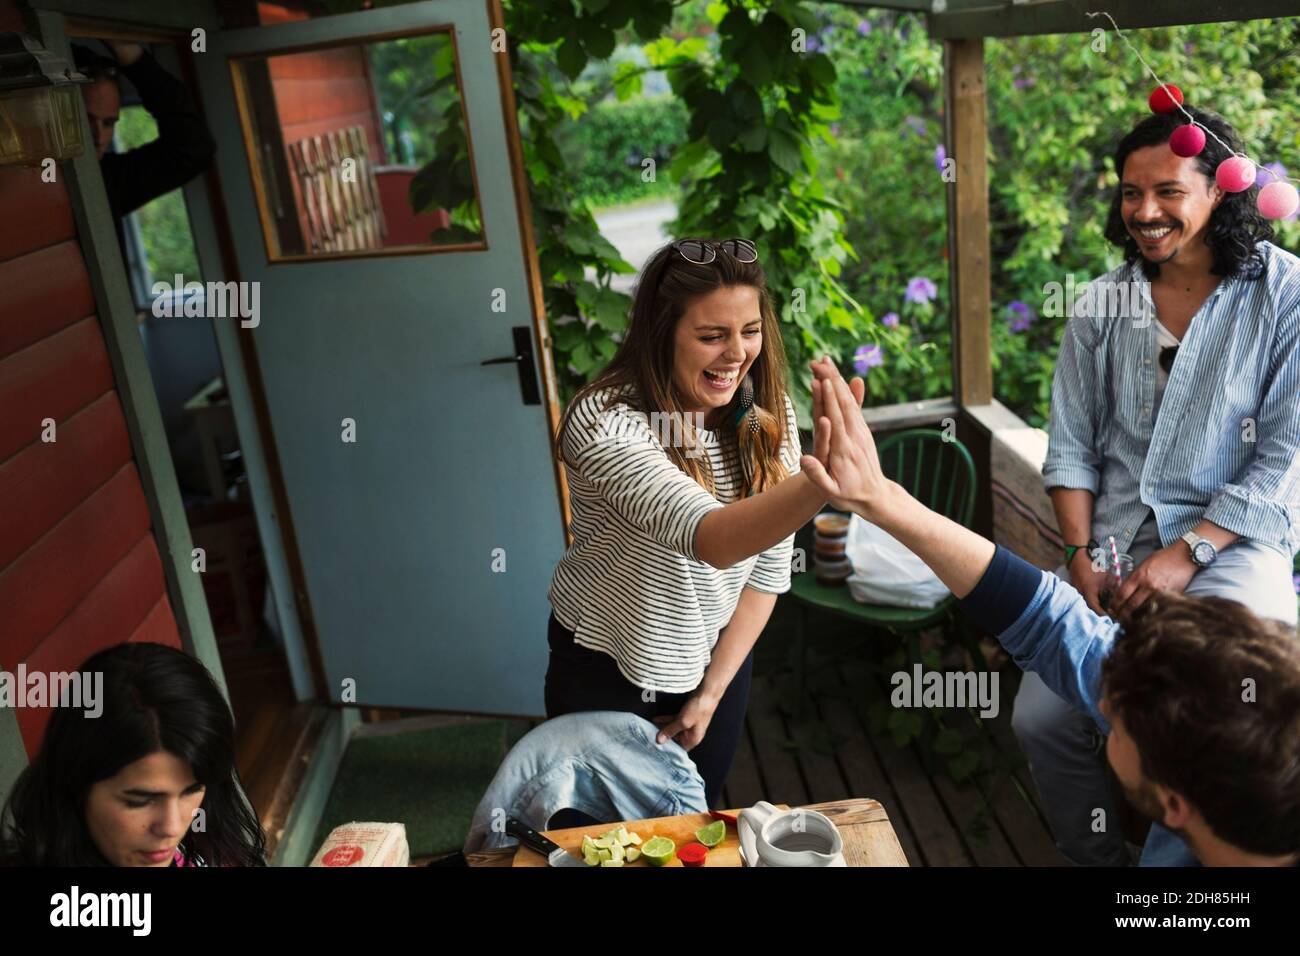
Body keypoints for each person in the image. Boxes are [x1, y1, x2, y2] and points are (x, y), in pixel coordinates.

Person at [802, 356, 1300, 867]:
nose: (1100, 696)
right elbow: (1052, 621)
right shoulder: (1214, 786)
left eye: (1111, 719)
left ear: (1173, 805)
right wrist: (883, 499)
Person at [1019, 106, 1300, 865]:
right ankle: (1097, 862)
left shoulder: (1284, 295)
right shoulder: (1100, 305)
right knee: (1042, 718)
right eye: (1129, 192)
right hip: (1112, 552)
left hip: (1235, 546)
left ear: (1221, 192)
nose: (1144, 212)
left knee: (1219, 724)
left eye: (1168, 191)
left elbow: (1288, 452)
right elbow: (1072, 446)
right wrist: (1079, 557)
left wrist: (1189, 554)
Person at [544, 237, 852, 810]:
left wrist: (712, 691)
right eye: (712, 336)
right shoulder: (606, 421)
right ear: (661, 332)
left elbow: (766, 569)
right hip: (607, 669)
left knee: (695, 818)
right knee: (598, 835)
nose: (737, 354)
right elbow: (711, 536)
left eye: (750, 331)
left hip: (719, 660)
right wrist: (819, 484)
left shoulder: (765, 412)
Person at [1, 642, 266, 866]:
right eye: (139, 800)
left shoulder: (197, 849)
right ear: (76, 785)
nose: (172, 828)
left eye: (191, 790)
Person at [74, 41, 215, 228]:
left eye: (108, 123)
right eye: (86, 120)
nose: (98, 138)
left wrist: (133, 57)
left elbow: (193, 148)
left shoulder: (110, 180)